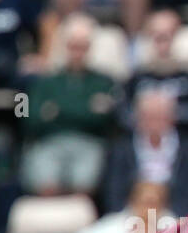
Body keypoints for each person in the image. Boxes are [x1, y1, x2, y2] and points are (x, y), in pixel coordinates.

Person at [20, 13, 117, 197]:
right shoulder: (44, 83)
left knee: (84, 183)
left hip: (89, 143)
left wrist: (57, 111)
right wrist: (86, 109)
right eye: (73, 46)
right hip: (49, 142)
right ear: (64, 47)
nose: (77, 53)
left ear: (90, 48)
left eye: (82, 47)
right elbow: (31, 120)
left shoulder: (104, 82)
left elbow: (104, 120)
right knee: (46, 181)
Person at [103, 88, 188, 215]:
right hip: (129, 212)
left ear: (172, 118)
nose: (154, 124)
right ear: (137, 118)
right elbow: (113, 189)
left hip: (172, 213)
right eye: (149, 117)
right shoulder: (121, 148)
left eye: (160, 117)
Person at [122, 8, 188, 139]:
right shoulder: (136, 78)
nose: (163, 45)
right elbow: (124, 115)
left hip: (185, 147)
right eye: (157, 37)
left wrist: (163, 113)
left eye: (169, 36)